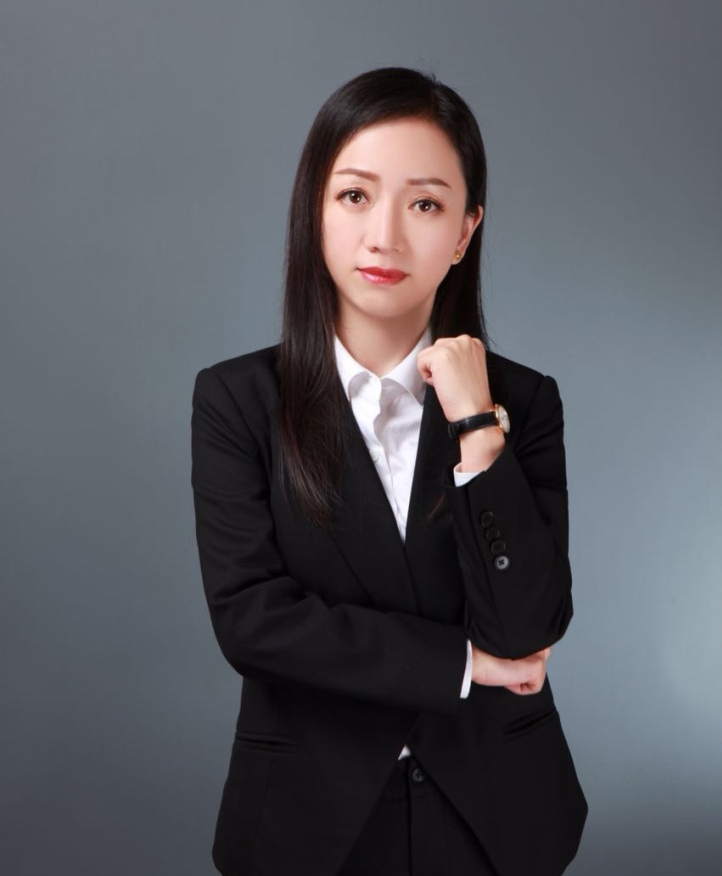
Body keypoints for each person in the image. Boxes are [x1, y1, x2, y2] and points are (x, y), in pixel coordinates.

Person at [191, 67, 587, 876]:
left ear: (465, 231)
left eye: (425, 205)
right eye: (354, 196)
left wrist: (476, 428)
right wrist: (461, 665)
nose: (384, 237)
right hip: (308, 815)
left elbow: (525, 629)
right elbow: (253, 621)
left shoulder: (522, 401)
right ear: (313, 210)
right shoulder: (238, 399)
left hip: (496, 811)